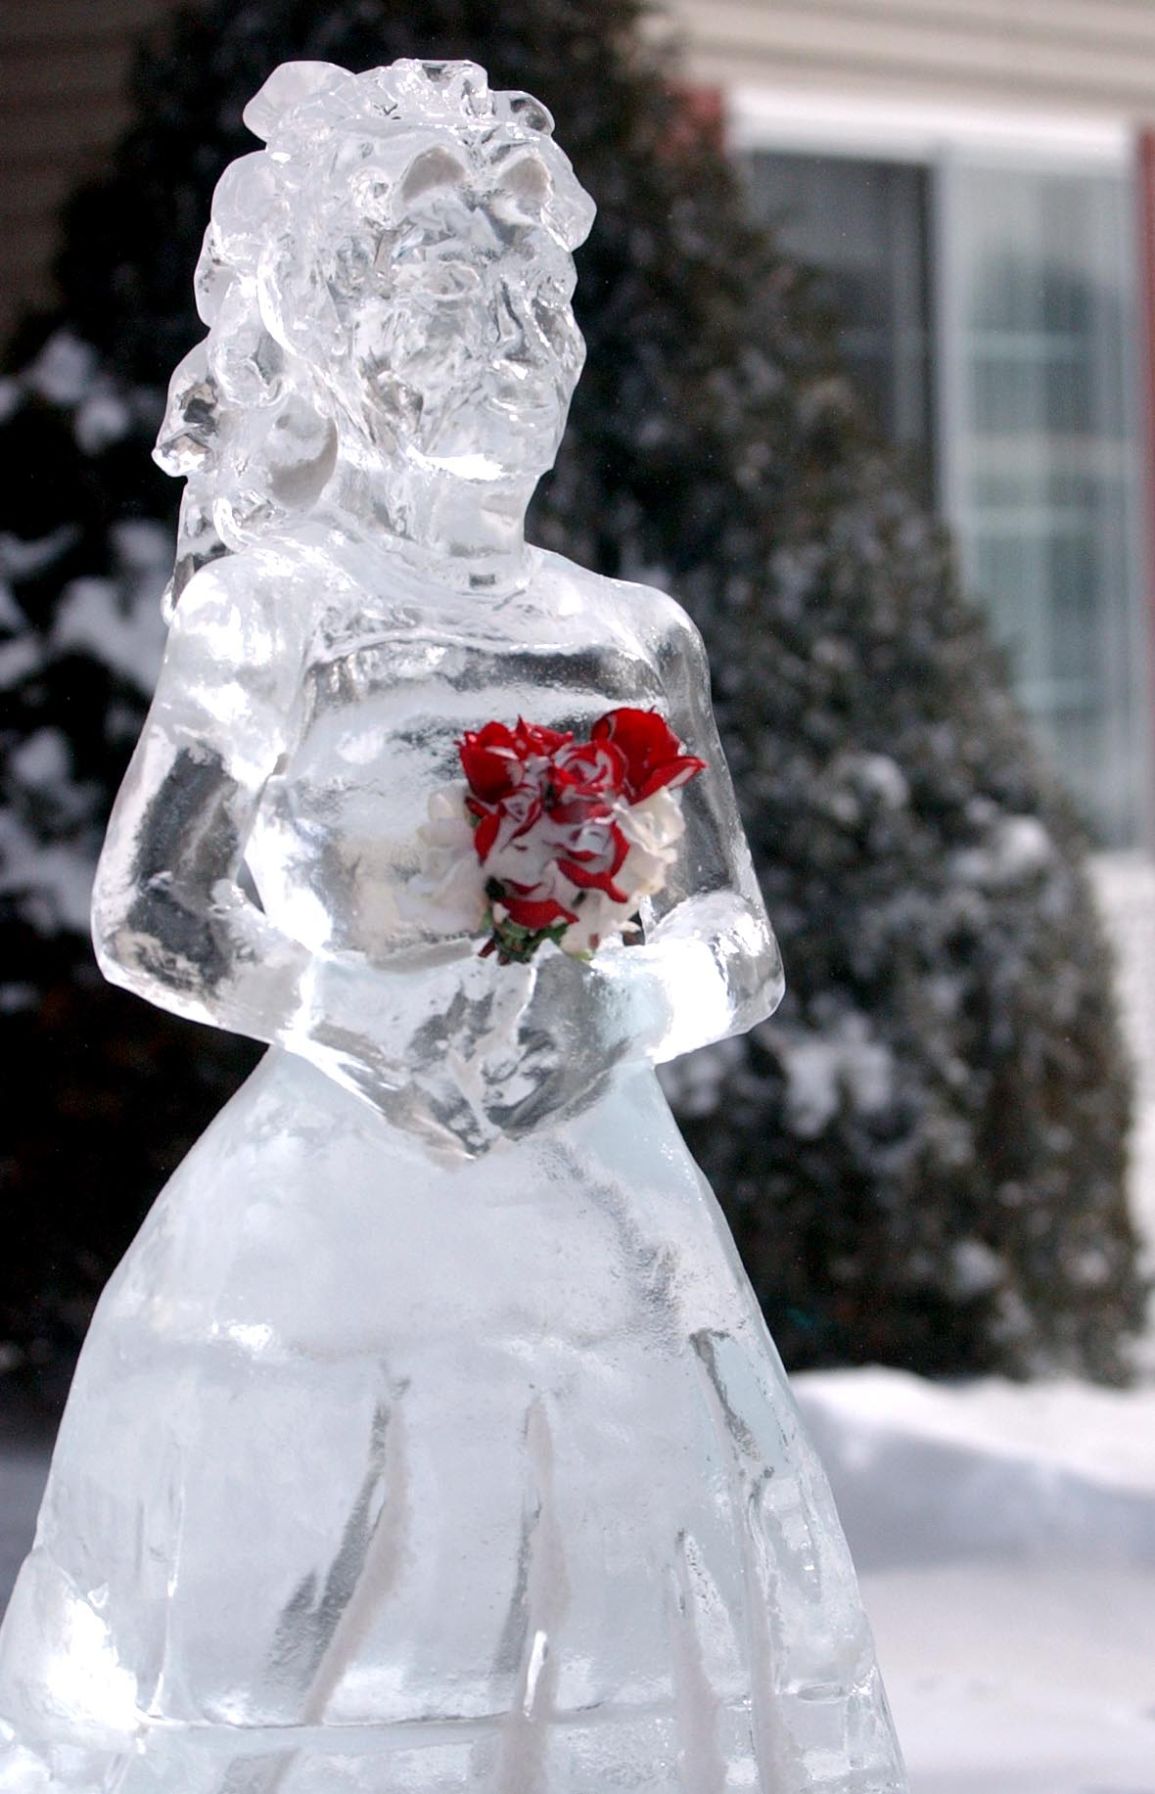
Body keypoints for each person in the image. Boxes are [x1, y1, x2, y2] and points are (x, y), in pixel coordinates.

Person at [0, 60, 907, 1793]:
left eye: (528, 304)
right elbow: (154, 907)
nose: (499, 344)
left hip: (598, 1198)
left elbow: (732, 936)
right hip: (337, 1200)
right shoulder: (281, 609)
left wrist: (613, 1013)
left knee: (627, 1605)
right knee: (320, 1599)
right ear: (347, 338)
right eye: (442, 298)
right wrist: (358, 1013)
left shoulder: (627, 632)